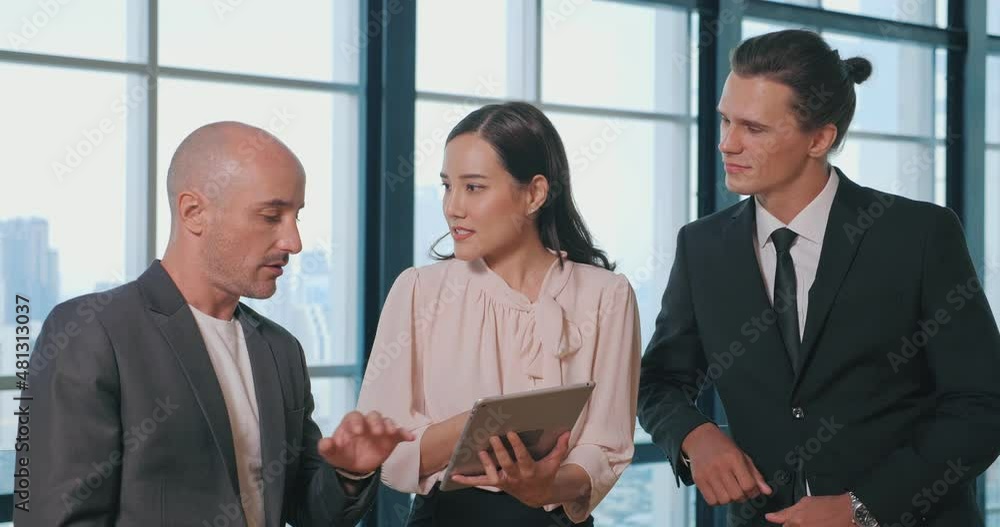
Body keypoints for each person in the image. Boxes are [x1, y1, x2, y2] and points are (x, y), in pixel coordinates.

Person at [638, 29, 1000, 527]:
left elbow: (982, 403)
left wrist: (864, 507)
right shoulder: (701, 246)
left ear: (820, 138)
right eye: (725, 120)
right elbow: (659, 381)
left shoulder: (917, 234)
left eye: (754, 128)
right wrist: (695, 437)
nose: (727, 143)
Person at [16, 122, 413, 526]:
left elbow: (310, 510)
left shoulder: (281, 349)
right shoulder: (92, 333)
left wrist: (348, 472)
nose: (294, 241)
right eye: (272, 216)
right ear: (194, 212)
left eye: (296, 217)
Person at [356, 101, 641, 526]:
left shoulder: (607, 295)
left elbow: (606, 446)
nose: (453, 207)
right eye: (446, 186)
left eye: (473, 187)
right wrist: (479, 425)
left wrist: (546, 486)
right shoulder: (418, 290)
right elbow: (383, 454)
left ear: (535, 194)